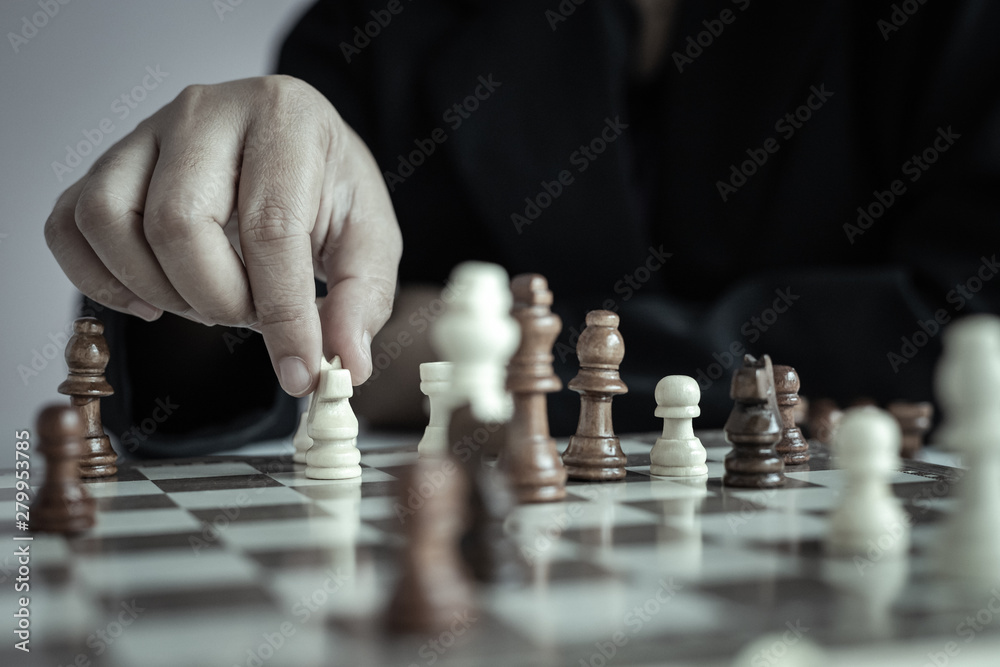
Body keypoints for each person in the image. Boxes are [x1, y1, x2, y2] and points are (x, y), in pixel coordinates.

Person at [44, 0, 1000, 456]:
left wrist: (452, 347)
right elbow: (243, 343)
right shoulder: (375, 30)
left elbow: (965, 332)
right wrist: (201, 208)